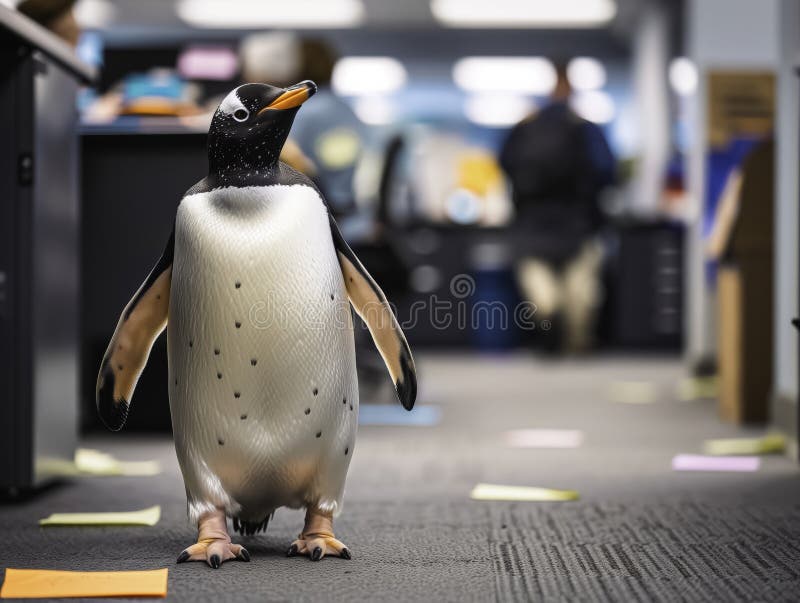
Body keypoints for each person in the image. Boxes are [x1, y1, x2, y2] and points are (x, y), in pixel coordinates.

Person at [499, 61, 615, 353]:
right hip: (577, 223)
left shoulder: (526, 128)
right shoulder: (585, 129)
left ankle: (554, 328)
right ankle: (574, 342)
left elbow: (504, 165)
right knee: (581, 297)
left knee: (548, 297)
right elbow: (607, 173)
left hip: (535, 225)